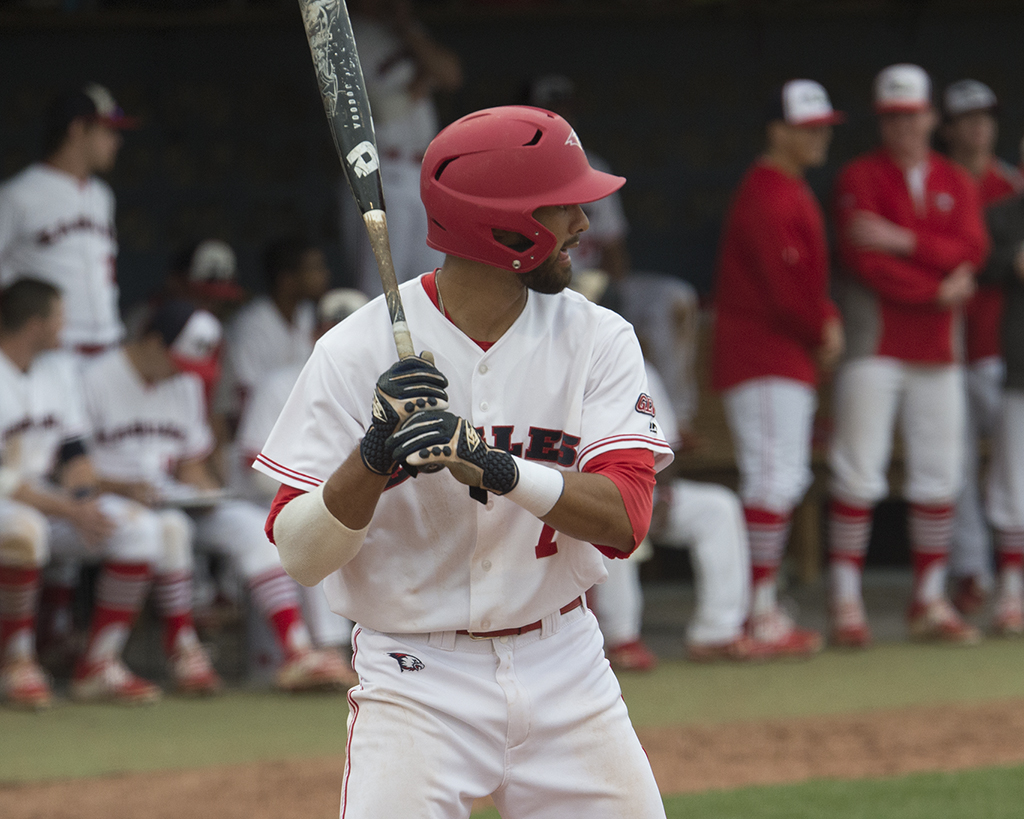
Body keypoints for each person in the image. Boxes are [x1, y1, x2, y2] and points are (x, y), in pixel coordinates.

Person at [256, 106, 671, 817]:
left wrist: (498, 466)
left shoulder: (598, 338)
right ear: (505, 225)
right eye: (563, 206)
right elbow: (298, 554)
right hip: (417, 679)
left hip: (565, 665)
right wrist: (373, 459)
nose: (582, 225)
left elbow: (624, 519)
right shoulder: (353, 353)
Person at [79, 300, 355, 692]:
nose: (185, 372)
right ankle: (182, 649)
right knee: (169, 529)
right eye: (179, 360)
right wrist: (123, 488)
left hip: (169, 496)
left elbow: (191, 461)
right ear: (155, 343)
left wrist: (204, 487)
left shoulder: (184, 383)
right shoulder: (96, 377)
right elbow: (71, 466)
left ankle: (298, 652)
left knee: (252, 528)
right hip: (111, 498)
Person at [828, 64, 989, 646]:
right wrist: (937, 285)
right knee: (858, 473)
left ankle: (929, 600)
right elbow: (861, 260)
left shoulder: (954, 178)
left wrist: (905, 242)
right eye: (892, 118)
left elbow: (973, 248)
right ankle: (846, 600)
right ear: (883, 120)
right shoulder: (860, 175)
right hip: (875, 345)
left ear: (931, 117)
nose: (904, 127)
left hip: (938, 350)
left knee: (938, 476)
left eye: (912, 115)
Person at [711, 79, 845, 655]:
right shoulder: (769, 192)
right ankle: (753, 612)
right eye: (808, 128)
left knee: (780, 478)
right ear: (778, 130)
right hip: (765, 354)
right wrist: (824, 327)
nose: (820, 138)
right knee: (773, 478)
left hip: (778, 356)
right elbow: (787, 294)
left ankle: (757, 607)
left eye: (823, 127)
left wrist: (822, 321)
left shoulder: (786, 187)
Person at [0, 278, 166, 707]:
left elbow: (74, 452)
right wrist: (68, 508)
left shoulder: (58, 369)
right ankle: (15, 662)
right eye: (58, 317)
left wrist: (85, 500)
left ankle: (98, 664)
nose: (65, 327)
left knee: (137, 528)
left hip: (46, 498)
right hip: (13, 503)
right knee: (25, 529)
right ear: (35, 323)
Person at [525, 73, 702, 445]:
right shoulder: (519, 170)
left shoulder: (593, 164)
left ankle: (676, 418)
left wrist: (617, 304)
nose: (560, 116)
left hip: (593, 280)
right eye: (549, 109)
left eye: (565, 108)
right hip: (544, 284)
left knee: (675, 298)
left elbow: (614, 248)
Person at [234, 288, 368, 664]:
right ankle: (327, 653)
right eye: (333, 327)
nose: (343, 336)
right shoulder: (280, 382)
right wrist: (330, 492)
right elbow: (256, 467)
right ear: (315, 332)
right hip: (280, 499)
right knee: (315, 522)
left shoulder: (390, 385)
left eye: (352, 328)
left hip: (365, 500)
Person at [592, 360, 755, 669]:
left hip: (645, 488)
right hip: (590, 491)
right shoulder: (561, 365)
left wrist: (663, 495)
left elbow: (666, 445)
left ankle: (717, 630)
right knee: (611, 518)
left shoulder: (637, 365)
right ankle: (620, 637)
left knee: (719, 508)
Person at [939, 80, 1024, 614]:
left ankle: (1009, 575)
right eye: (966, 118)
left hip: (1002, 347)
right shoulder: (939, 179)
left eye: (985, 117)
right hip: (949, 345)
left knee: (1012, 467)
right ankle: (972, 569)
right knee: (957, 466)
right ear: (949, 127)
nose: (977, 126)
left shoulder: (1010, 187)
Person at [0, 83, 136, 356]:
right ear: (77, 129)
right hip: (52, 351)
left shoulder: (102, 195)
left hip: (107, 345)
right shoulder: (18, 195)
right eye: (107, 130)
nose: (116, 141)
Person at [342, 0, 462, 296]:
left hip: (421, 173)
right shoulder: (344, 34)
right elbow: (377, 109)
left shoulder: (407, 33)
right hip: (377, 169)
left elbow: (451, 75)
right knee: (380, 289)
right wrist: (421, 81)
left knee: (435, 283)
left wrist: (406, 29)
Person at [214, 234, 330, 432]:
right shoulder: (252, 325)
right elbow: (245, 400)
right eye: (313, 268)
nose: (324, 275)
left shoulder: (307, 315)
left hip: (300, 427)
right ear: (287, 279)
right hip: (255, 434)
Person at [978, 190, 1024, 635]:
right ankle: (1011, 592)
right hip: (1021, 368)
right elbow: (983, 266)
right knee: (1015, 482)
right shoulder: (1005, 216)